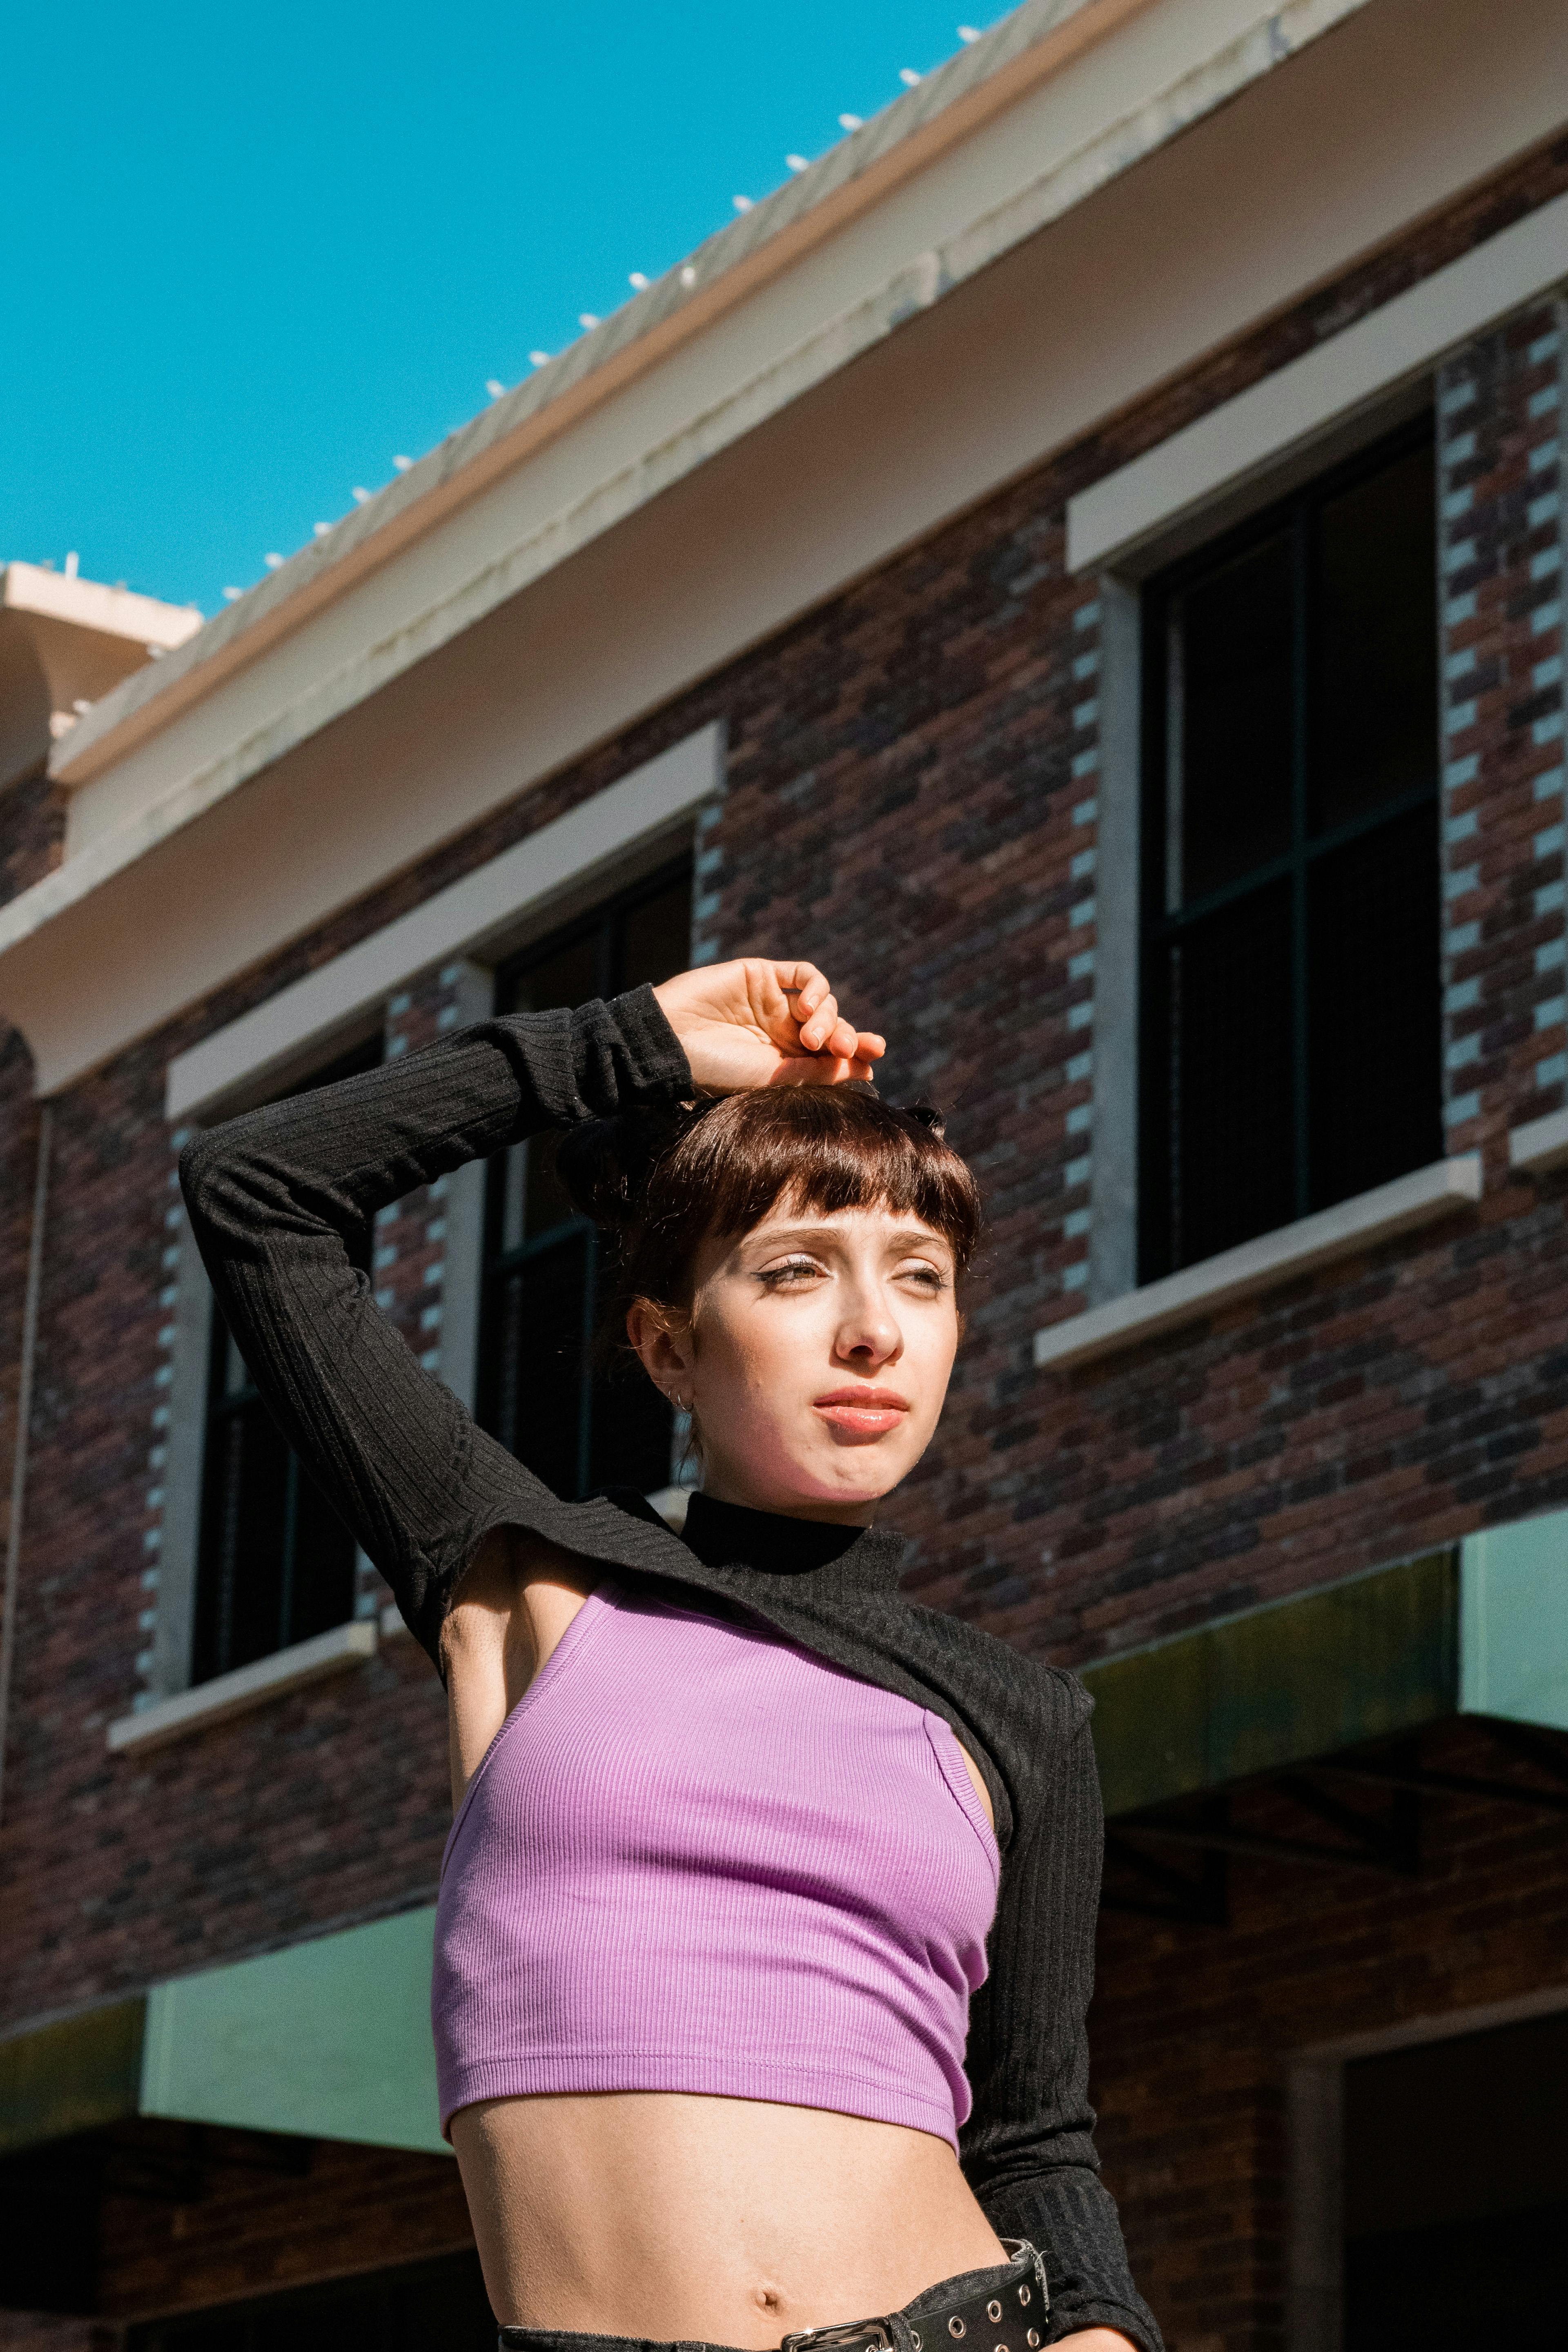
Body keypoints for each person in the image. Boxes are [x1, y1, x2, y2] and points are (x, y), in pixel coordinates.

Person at [180, 957, 1161, 2352]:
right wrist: (627, 1043)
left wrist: (1107, 2331)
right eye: (797, 1270)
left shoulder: (1021, 1718)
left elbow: (1035, 2141)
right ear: (667, 1348)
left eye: (923, 1278)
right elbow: (256, 1191)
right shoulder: (523, 1574)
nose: (873, 1329)